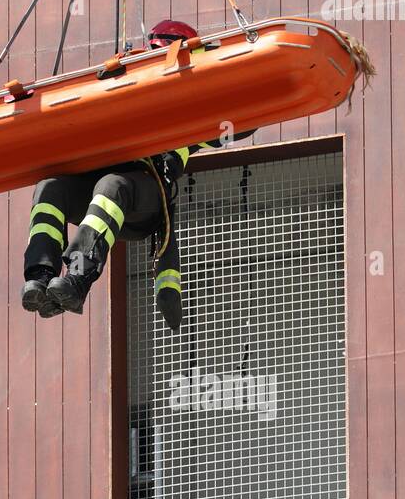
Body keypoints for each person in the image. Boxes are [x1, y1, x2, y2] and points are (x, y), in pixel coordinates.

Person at [21, 18, 253, 325]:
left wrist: (212, 61)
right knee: (50, 189)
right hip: (104, 195)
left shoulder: (196, 111)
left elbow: (247, 122)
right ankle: (41, 277)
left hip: (144, 200)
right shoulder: (125, 85)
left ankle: (77, 279)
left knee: (111, 184)